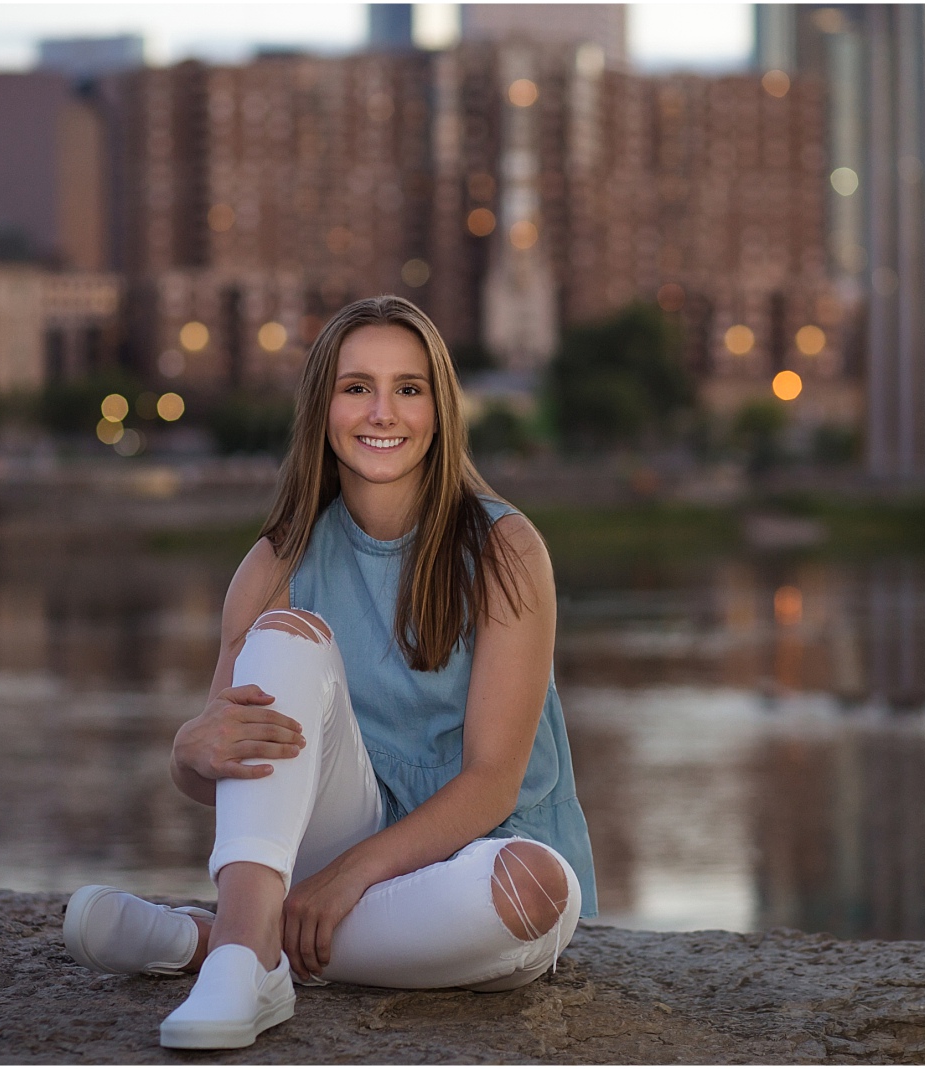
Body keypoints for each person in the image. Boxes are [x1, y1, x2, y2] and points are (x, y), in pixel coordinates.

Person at [63, 295, 597, 1050]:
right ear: (323, 406)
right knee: (287, 637)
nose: (383, 412)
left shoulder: (505, 549)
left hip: (474, 858)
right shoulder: (276, 560)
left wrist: (349, 878)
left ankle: (217, 941)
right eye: (357, 387)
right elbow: (229, 763)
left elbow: (492, 781)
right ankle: (248, 961)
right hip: (342, 833)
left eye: (408, 389)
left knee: (530, 889)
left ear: (439, 410)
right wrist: (188, 749)